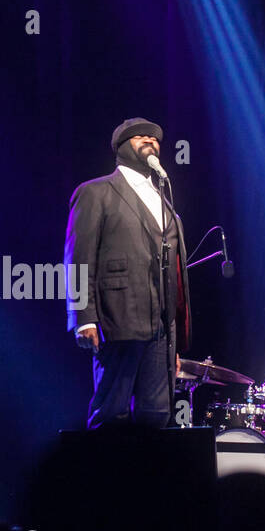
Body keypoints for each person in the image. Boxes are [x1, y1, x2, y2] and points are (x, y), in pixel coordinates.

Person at [64, 117, 192, 428]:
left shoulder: (166, 203)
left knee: (158, 413)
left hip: (161, 327)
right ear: (122, 146)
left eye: (156, 137)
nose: (151, 140)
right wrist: (83, 317)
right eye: (141, 136)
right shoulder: (96, 192)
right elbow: (77, 257)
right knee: (112, 410)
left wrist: (175, 335)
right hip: (116, 318)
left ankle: (147, 477)